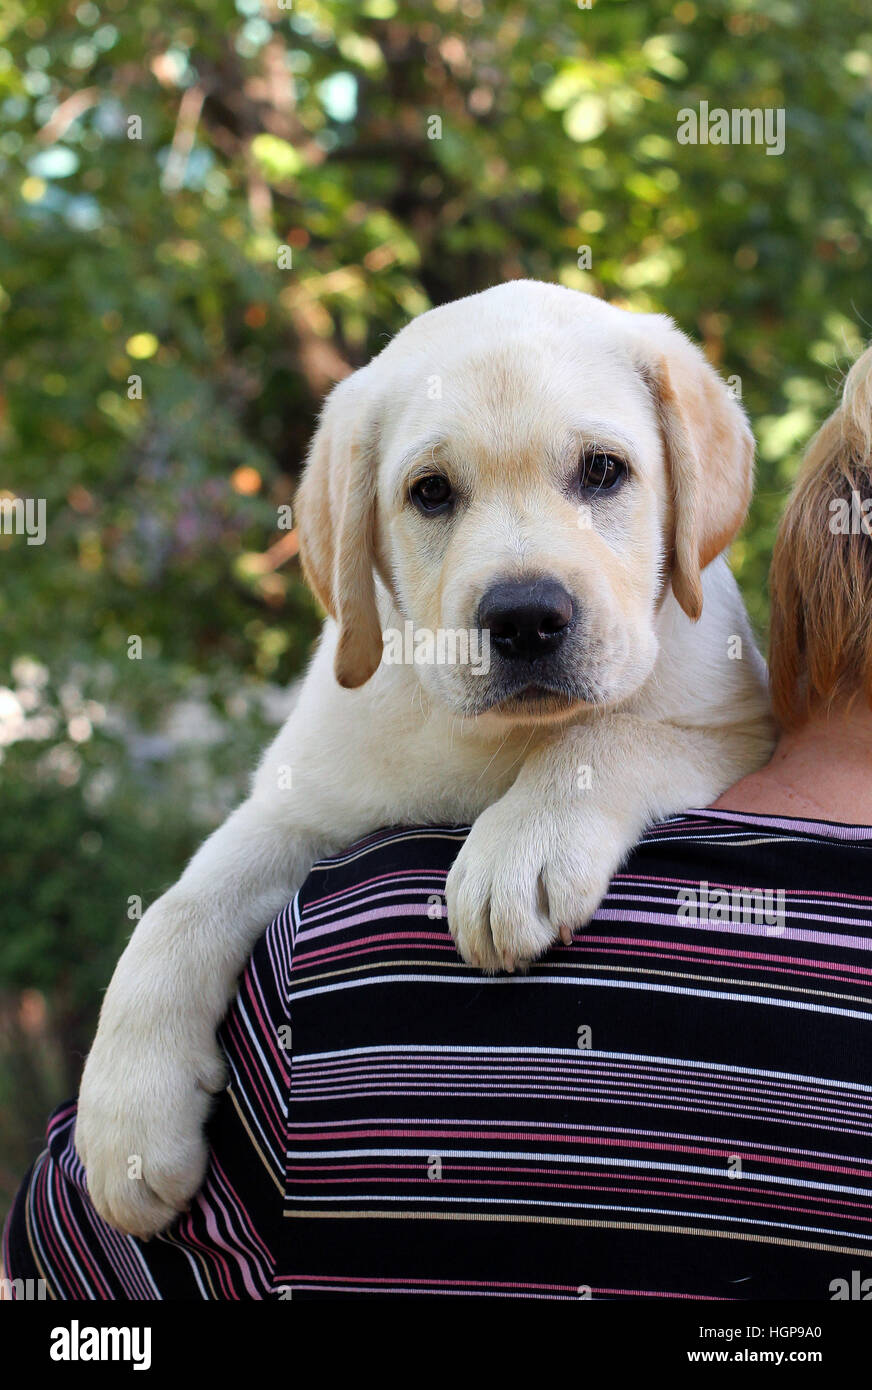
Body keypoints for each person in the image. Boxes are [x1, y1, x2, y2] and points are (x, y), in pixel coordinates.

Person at [4, 348, 872, 1301]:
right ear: (359, 546)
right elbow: (282, 823)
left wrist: (589, 787)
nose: (525, 589)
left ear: (688, 481)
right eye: (433, 493)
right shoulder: (361, 701)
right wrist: (159, 984)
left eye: (599, 473)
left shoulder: (701, 650)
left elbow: (726, 736)